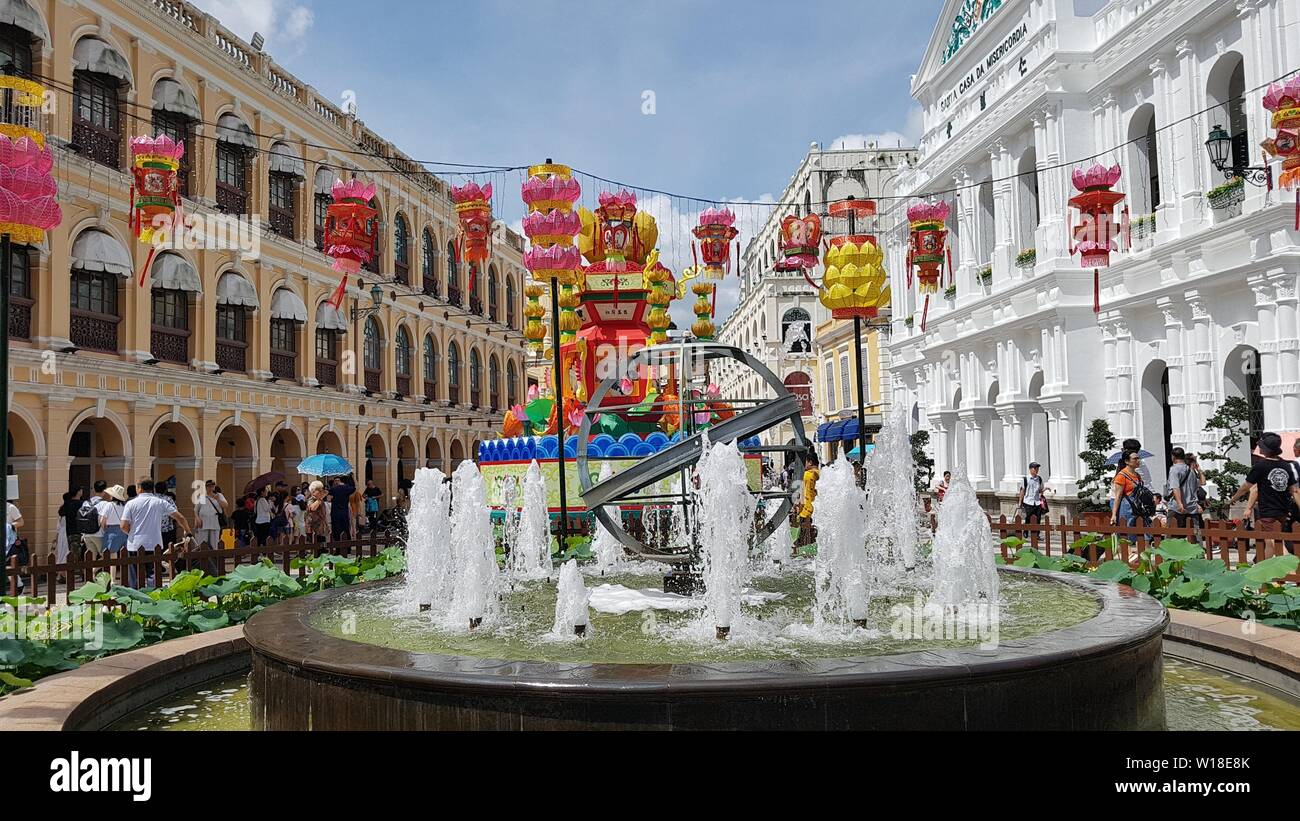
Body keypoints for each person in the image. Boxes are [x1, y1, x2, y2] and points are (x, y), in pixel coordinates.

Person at [120, 478, 192, 588]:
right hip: (154, 543)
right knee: (153, 575)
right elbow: (180, 517)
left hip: (135, 543)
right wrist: (187, 531)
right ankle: (152, 596)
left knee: (135, 575)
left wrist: (132, 533)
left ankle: (134, 598)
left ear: (139, 488)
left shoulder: (131, 504)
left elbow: (123, 525)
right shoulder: (160, 502)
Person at [1242, 433, 1300, 557]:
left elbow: (1254, 489)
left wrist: (1247, 507)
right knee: (1270, 540)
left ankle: (1289, 568)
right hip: (1284, 507)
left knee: (1274, 539)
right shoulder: (1289, 465)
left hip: (1269, 508)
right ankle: (1263, 565)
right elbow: (1294, 490)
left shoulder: (1262, 466)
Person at [1110, 449, 1154, 530]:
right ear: (1127, 461)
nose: (1138, 460)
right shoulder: (1121, 476)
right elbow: (1118, 496)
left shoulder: (1137, 475)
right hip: (1127, 509)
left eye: (1139, 458)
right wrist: (1114, 514)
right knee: (1128, 532)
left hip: (1138, 508)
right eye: (1135, 459)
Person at [1165, 447, 1203, 533]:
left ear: (1173, 457)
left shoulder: (1174, 470)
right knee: (1196, 531)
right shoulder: (1191, 470)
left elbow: (1175, 487)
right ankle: (1199, 545)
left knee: (1170, 531)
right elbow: (1196, 487)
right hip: (1192, 505)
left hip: (1176, 506)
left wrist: (1179, 503)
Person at [95, 485, 127, 583]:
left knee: (109, 555)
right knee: (121, 555)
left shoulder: (109, 505)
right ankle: (117, 577)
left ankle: (99, 572)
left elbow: (102, 521)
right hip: (123, 531)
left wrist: (105, 529)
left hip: (111, 531)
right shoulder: (125, 506)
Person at [796, 450, 820, 551]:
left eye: (804, 462)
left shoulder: (807, 475)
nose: (803, 465)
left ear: (810, 462)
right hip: (815, 508)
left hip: (806, 510)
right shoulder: (820, 474)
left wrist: (797, 506)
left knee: (801, 541)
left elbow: (804, 494)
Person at [195, 480, 227, 550]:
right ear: (206, 487)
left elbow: (225, 505)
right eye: (209, 486)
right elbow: (196, 510)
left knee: (214, 543)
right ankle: (202, 559)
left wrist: (218, 499)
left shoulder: (219, 495)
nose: (211, 488)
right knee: (202, 543)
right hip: (203, 523)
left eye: (212, 486)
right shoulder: (202, 497)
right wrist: (197, 519)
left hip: (214, 523)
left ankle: (214, 558)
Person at [56, 488, 84, 563]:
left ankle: (62, 570)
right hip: (71, 532)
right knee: (72, 553)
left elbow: (58, 526)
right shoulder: (79, 504)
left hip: (63, 533)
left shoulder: (63, 509)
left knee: (62, 552)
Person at [329, 476, 356, 543]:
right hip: (344, 512)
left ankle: (338, 547)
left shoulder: (333, 489)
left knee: (336, 530)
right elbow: (353, 488)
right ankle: (348, 547)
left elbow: (328, 495)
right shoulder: (346, 488)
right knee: (345, 529)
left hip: (335, 513)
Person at [306, 480, 330, 546]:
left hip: (321, 527)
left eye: (321, 489)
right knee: (316, 548)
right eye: (319, 490)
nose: (321, 492)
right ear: (313, 491)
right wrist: (320, 499)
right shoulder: (311, 499)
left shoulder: (320, 500)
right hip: (313, 527)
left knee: (322, 547)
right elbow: (312, 508)